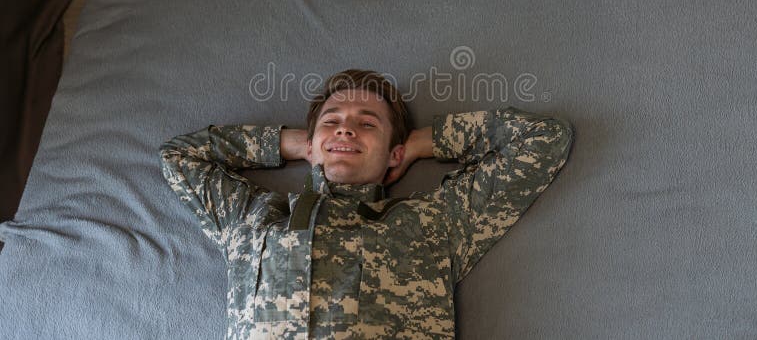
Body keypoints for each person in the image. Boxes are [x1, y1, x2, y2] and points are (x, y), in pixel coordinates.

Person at [160, 69, 574, 339]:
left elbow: (544, 138)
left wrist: (421, 144)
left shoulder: (430, 224)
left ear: (393, 153)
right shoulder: (254, 220)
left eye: (367, 123)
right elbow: (179, 157)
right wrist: (288, 144)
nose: (345, 127)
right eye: (332, 120)